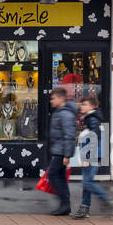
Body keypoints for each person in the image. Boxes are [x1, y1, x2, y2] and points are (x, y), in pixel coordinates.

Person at [72, 94, 113, 218]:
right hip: (93, 155)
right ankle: (84, 209)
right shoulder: (90, 117)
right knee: (87, 182)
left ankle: (105, 198)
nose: (81, 106)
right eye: (81, 104)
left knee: (87, 183)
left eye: (84, 104)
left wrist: (86, 157)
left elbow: (94, 138)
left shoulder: (92, 119)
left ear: (92, 106)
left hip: (91, 156)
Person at [43, 85, 77, 216]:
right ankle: (65, 205)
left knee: (52, 175)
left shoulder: (66, 114)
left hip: (61, 151)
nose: (51, 101)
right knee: (61, 177)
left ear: (61, 99)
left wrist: (67, 155)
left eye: (53, 99)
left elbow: (70, 135)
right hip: (58, 150)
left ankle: (65, 204)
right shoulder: (60, 112)